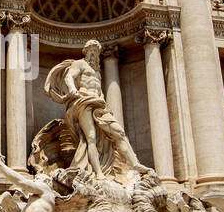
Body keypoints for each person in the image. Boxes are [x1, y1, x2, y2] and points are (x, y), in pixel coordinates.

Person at [44, 39, 149, 178]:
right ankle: (99, 173)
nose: (93, 53)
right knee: (91, 138)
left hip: (98, 104)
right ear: (86, 51)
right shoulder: (79, 64)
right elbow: (69, 76)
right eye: (91, 50)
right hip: (83, 101)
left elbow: (99, 89)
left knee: (119, 132)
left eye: (96, 51)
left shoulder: (97, 71)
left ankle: (134, 163)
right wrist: (72, 89)